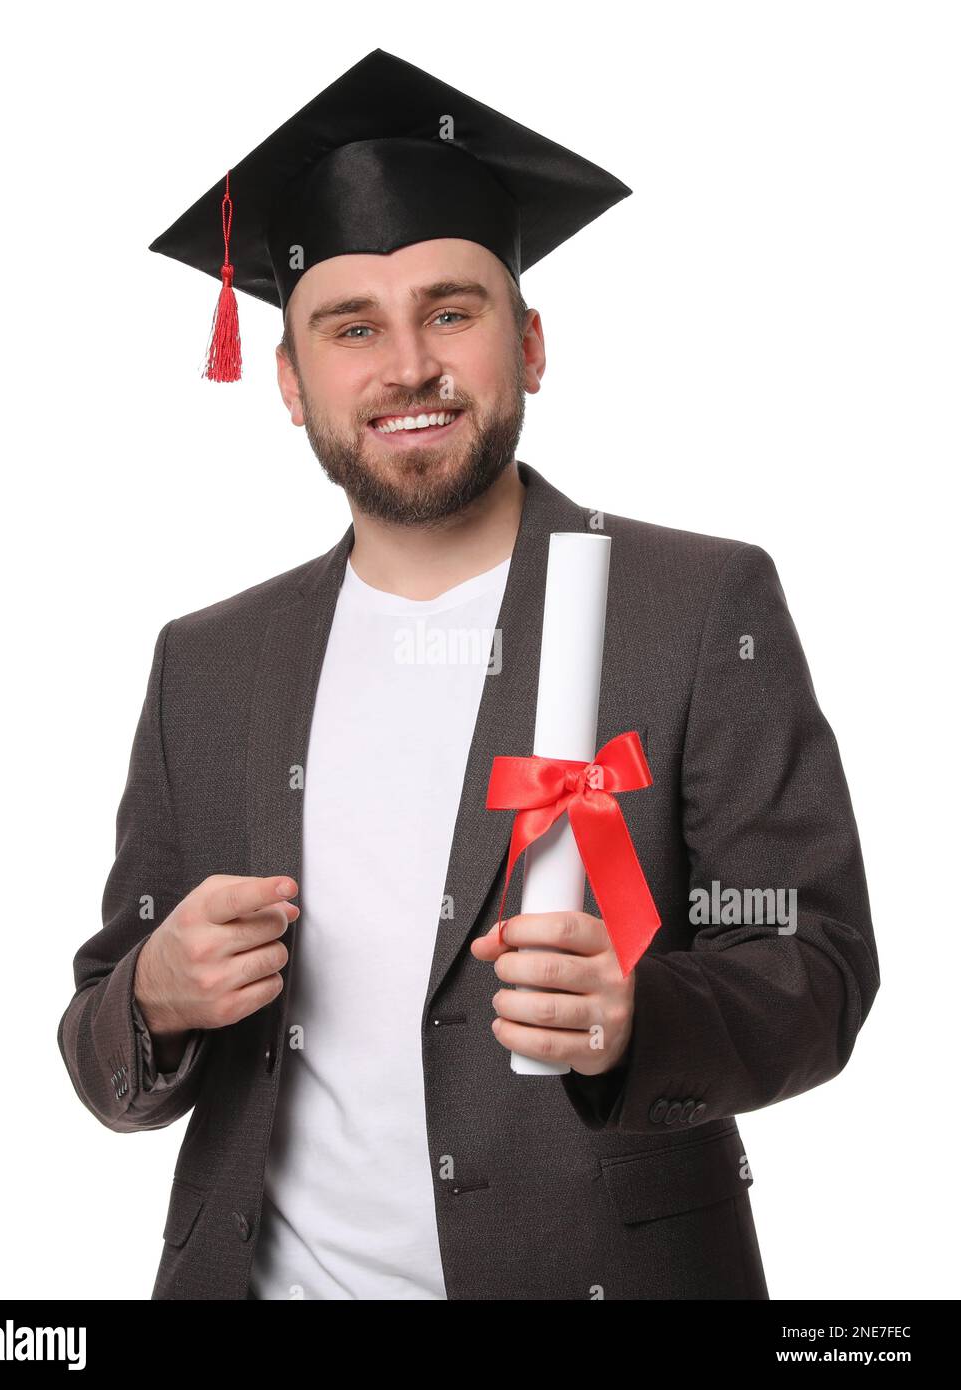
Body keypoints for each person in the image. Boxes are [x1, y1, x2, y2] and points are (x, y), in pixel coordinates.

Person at [57, 49, 879, 1301]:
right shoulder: (206, 664)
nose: (407, 367)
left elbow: (808, 953)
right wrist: (155, 997)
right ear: (289, 380)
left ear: (530, 343)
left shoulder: (694, 607)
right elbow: (102, 1019)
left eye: (451, 310)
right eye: (350, 327)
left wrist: (639, 1017)